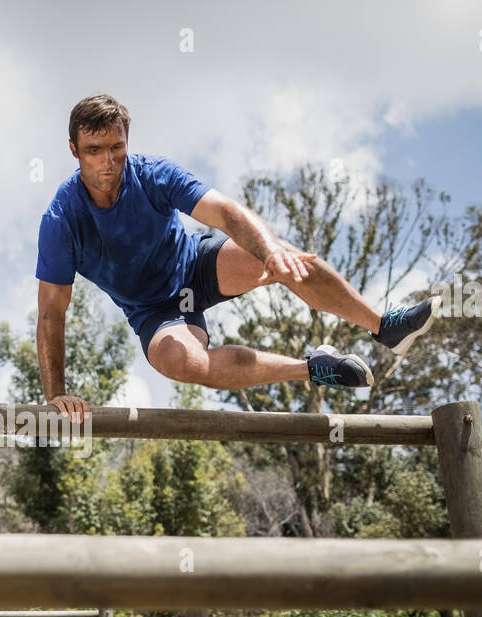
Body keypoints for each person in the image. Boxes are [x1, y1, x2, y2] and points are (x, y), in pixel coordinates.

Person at [35, 93, 439, 423]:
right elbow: (52, 312)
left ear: (127, 142)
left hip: (195, 264)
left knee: (287, 258)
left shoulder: (153, 174)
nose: (108, 162)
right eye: (94, 151)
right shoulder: (61, 219)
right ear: (74, 149)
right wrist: (55, 395)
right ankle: (314, 367)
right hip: (154, 310)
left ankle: (384, 326)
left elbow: (226, 212)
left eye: (116, 147)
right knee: (186, 363)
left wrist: (271, 251)